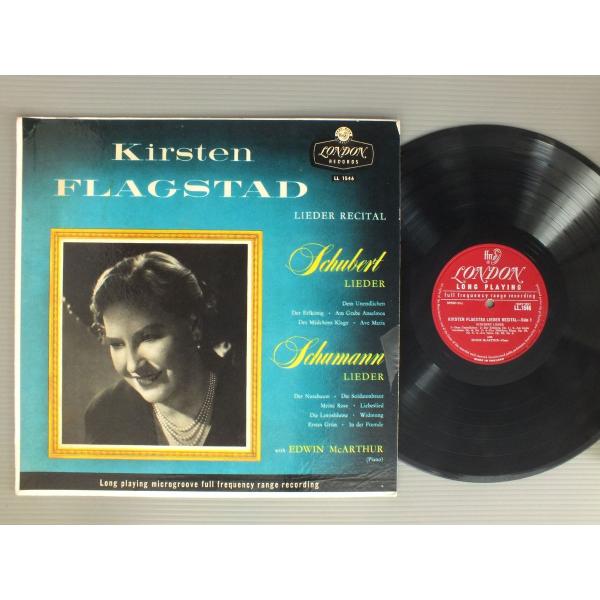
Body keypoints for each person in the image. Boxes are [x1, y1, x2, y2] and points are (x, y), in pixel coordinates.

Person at [84, 251, 246, 447]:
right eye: (117, 344)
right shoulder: (105, 414)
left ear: (193, 327)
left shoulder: (251, 400)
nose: (133, 365)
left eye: (148, 337)